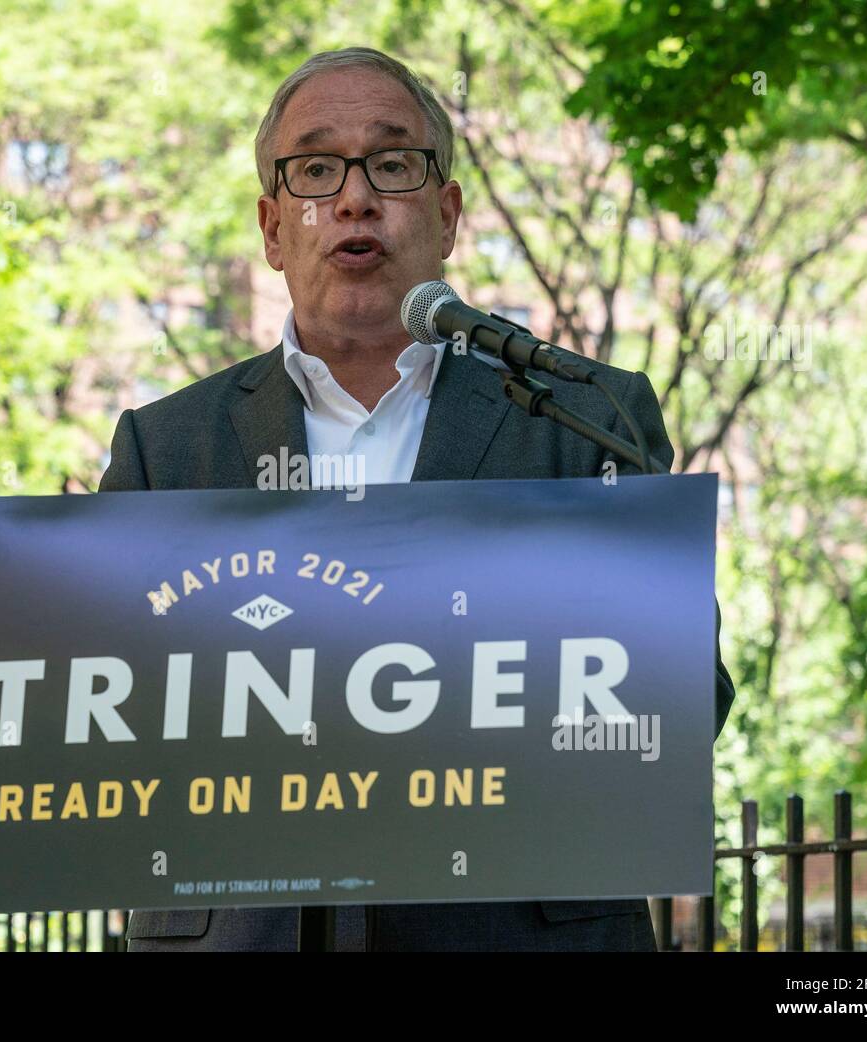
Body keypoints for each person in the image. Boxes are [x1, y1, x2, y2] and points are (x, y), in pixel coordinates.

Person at [99, 46, 735, 951]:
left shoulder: (584, 417)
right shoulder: (165, 449)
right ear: (274, 228)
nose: (355, 197)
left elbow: (686, 698)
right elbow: (102, 720)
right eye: (316, 169)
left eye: (392, 164)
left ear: (445, 216)